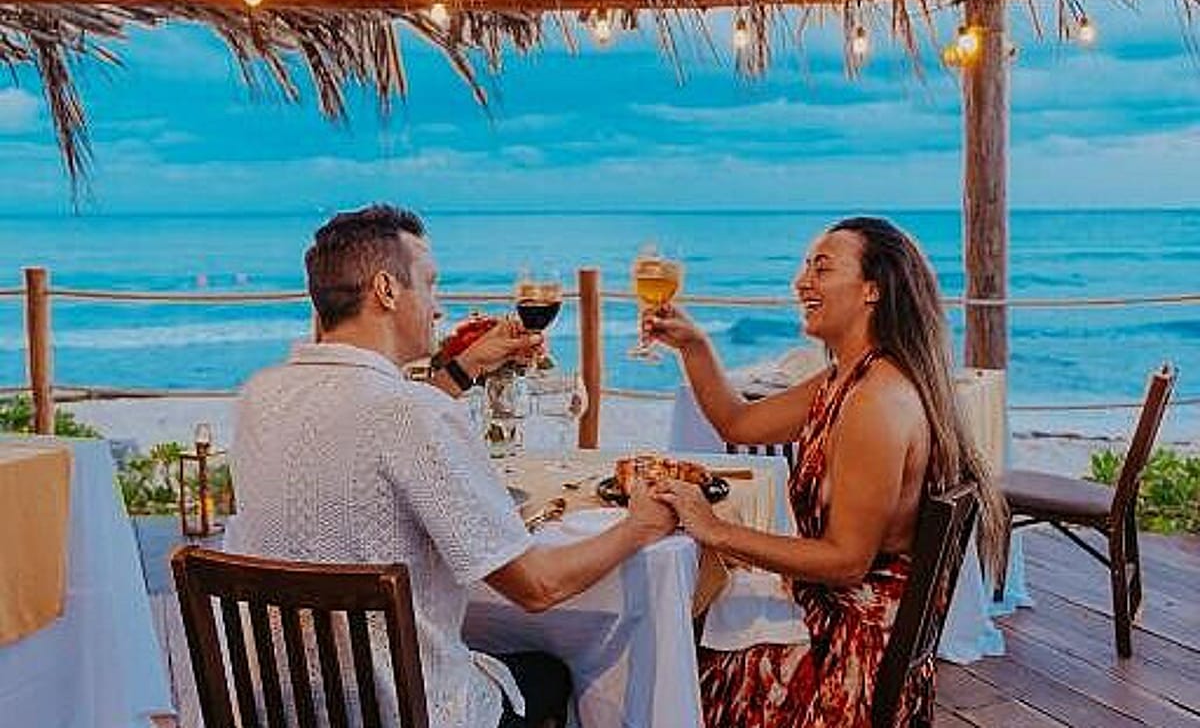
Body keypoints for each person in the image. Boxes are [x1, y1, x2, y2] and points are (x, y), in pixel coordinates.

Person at [226, 204, 676, 728]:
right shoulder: (413, 414)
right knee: (554, 672)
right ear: (387, 291)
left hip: (279, 707)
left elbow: (363, 430)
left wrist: (465, 369)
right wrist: (640, 527)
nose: (437, 308)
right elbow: (538, 587)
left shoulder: (260, 396)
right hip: (403, 711)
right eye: (430, 285)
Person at [645, 216, 1006, 727]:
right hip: (837, 624)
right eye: (805, 266)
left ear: (871, 291)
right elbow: (738, 422)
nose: (801, 281)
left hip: (846, 662)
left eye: (822, 267)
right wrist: (694, 345)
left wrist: (716, 531)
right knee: (687, 626)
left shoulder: (874, 401)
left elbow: (846, 561)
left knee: (664, 664)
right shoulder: (848, 376)